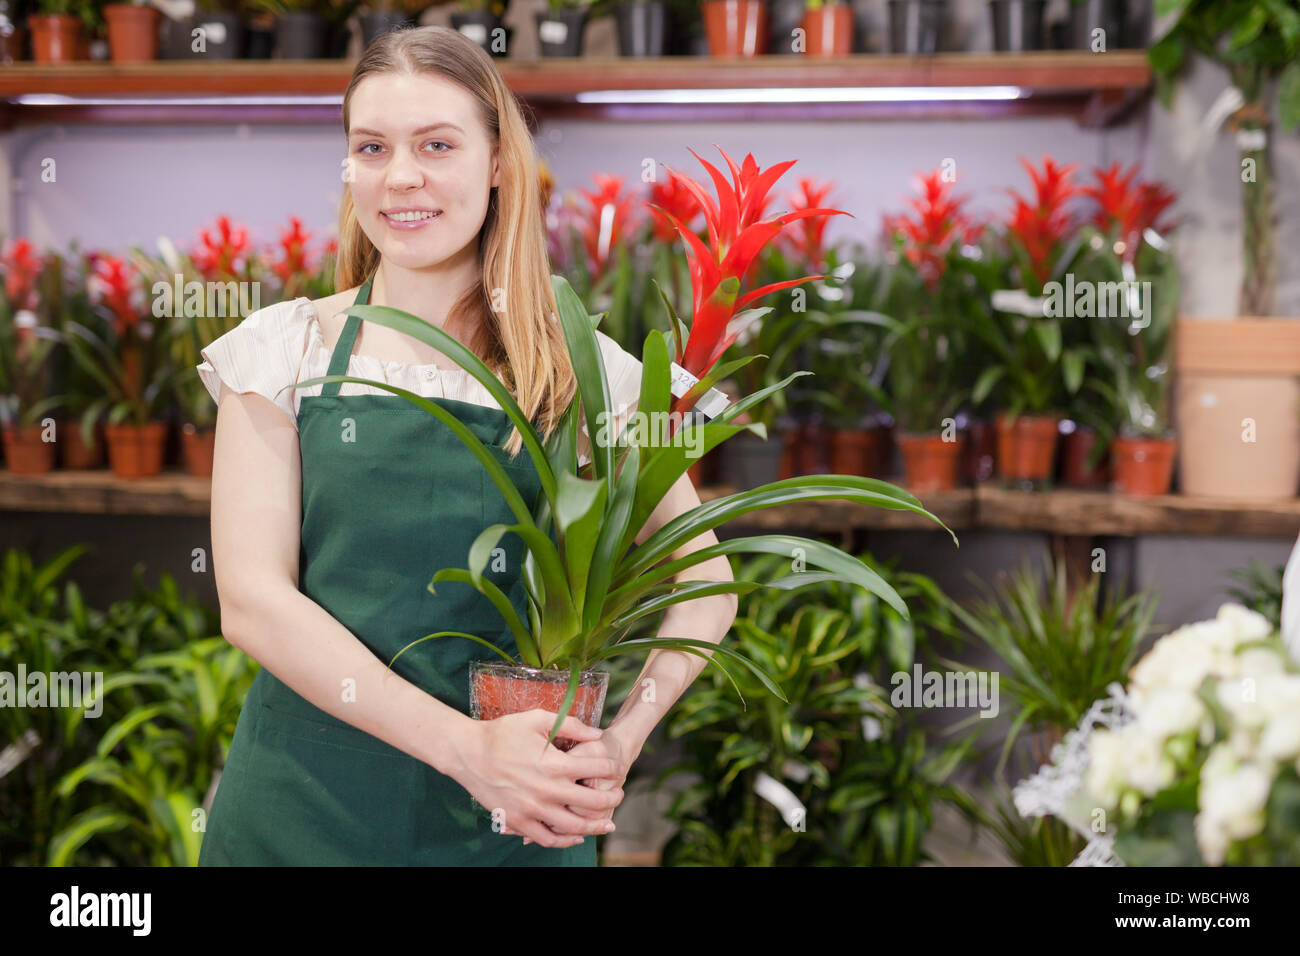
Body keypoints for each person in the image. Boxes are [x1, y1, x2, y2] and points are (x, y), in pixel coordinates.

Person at [194, 26, 738, 865]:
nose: (400, 176)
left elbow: (707, 583)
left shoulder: (583, 372)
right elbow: (254, 602)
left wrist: (620, 745)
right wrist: (465, 750)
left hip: (518, 830)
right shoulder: (280, 354)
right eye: (371, 147)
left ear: (496, 163)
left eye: (436, 145)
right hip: (303, 817)